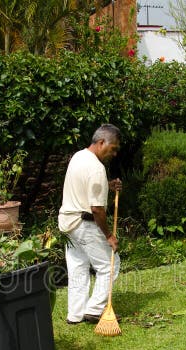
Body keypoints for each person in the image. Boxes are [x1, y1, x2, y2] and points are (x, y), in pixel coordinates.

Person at [58, 124, 123, 324]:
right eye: (113, 149)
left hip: (67, 223)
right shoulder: (96, 168)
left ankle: (75, 314)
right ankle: (94, 310)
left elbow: (84, 185)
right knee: (110, 266)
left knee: (78, 267)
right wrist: (109, 236)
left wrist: (108, 185)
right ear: (101, 142)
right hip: (84, 224)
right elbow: (97, 210)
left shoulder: (79, 156)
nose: (114, 154)